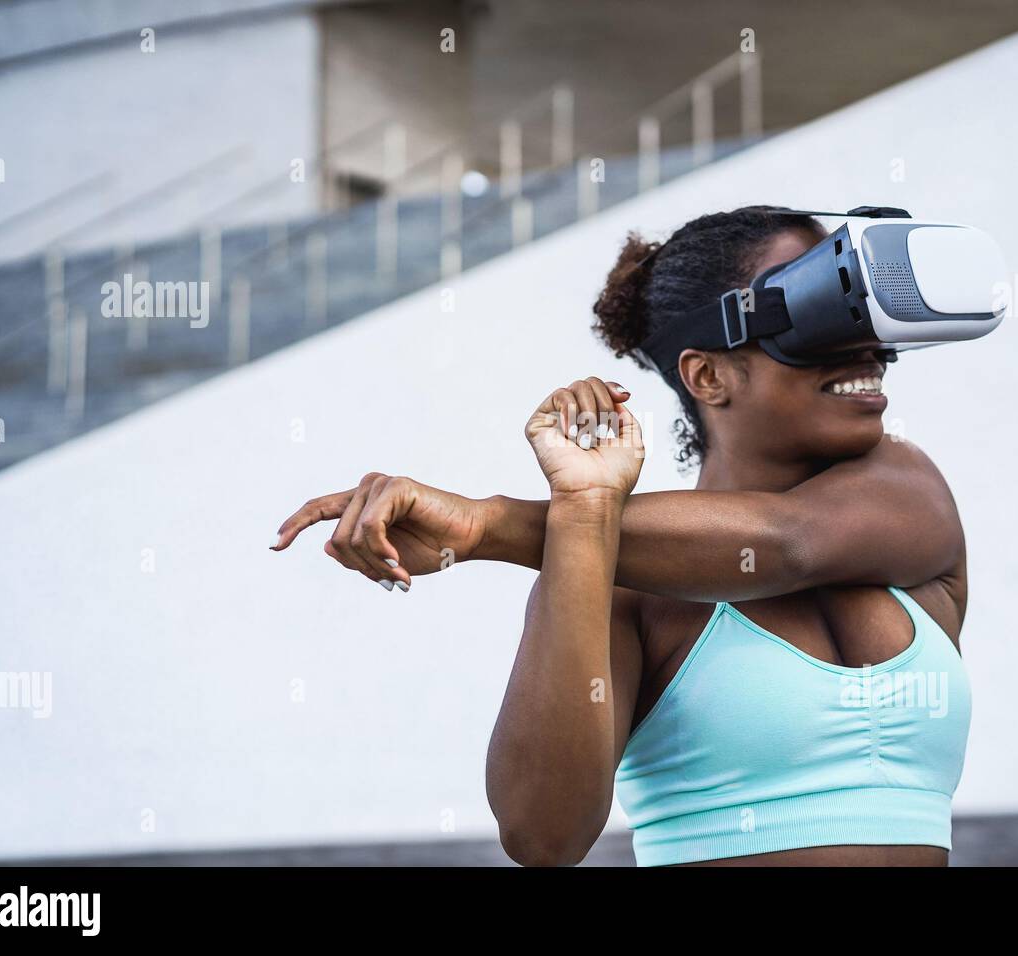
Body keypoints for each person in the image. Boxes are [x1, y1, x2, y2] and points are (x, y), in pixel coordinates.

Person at [273, 206, 972, 867]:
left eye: (860, 308)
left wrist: (487, 523)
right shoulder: (612, 578)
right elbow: (543, 836)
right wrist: (580, 508)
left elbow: (791, 542)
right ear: (707, 374)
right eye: (816, 313)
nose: (866, 348)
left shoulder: (904, 490)